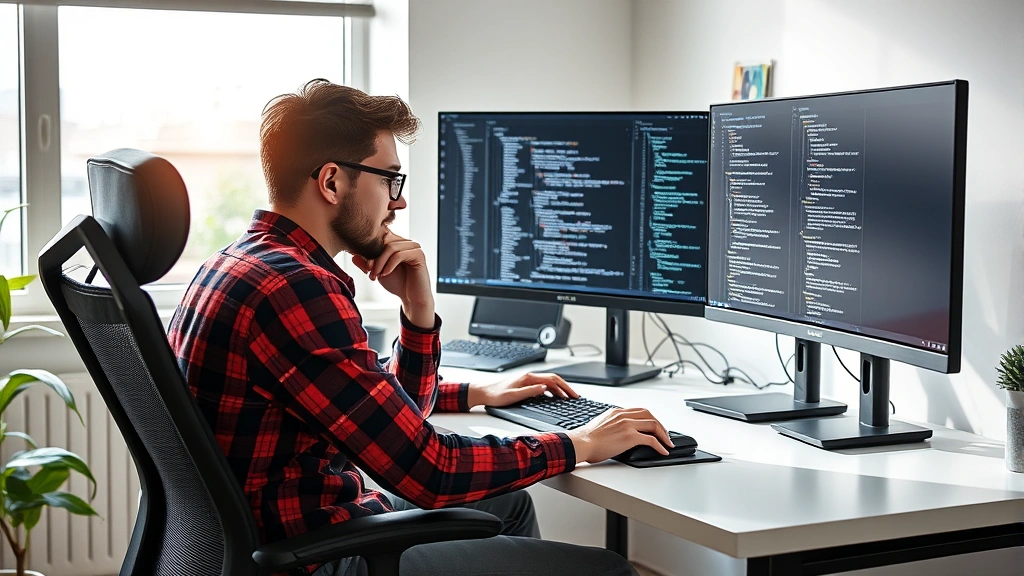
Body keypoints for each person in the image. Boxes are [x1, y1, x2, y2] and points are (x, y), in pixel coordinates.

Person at [168, 78, 674, 576]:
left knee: (510, 504)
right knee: (606, 568)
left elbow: (387, 413)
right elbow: (429, 472)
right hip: (317, 557)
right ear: (331, 181)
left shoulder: (239, 264)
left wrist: (420, 314)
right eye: (390, 179)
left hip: (259, 539)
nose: (399, 202)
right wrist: (581, 443)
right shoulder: (296, 290)